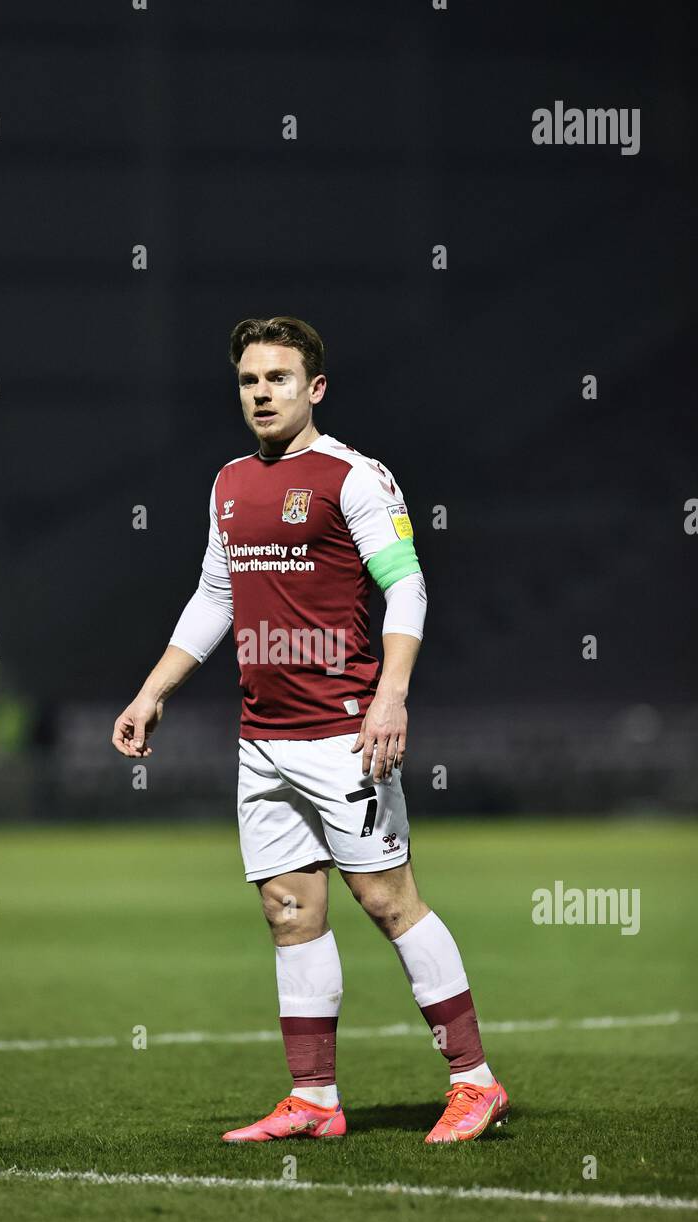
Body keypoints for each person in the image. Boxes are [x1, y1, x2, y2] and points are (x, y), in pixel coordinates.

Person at [112, 315, 508, 1144]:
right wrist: (153, 692)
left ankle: (474, 1081)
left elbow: (406, 587)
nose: (262, 393)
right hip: (263, 738)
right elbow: (215, 599)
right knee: (291, 911)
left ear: (314, 387)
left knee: (386, 899)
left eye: (279, 379)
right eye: (250, 380)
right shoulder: (227, 483)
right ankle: (315, 1100)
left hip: (343, 732)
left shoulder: (352, 477)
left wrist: (390, 695)